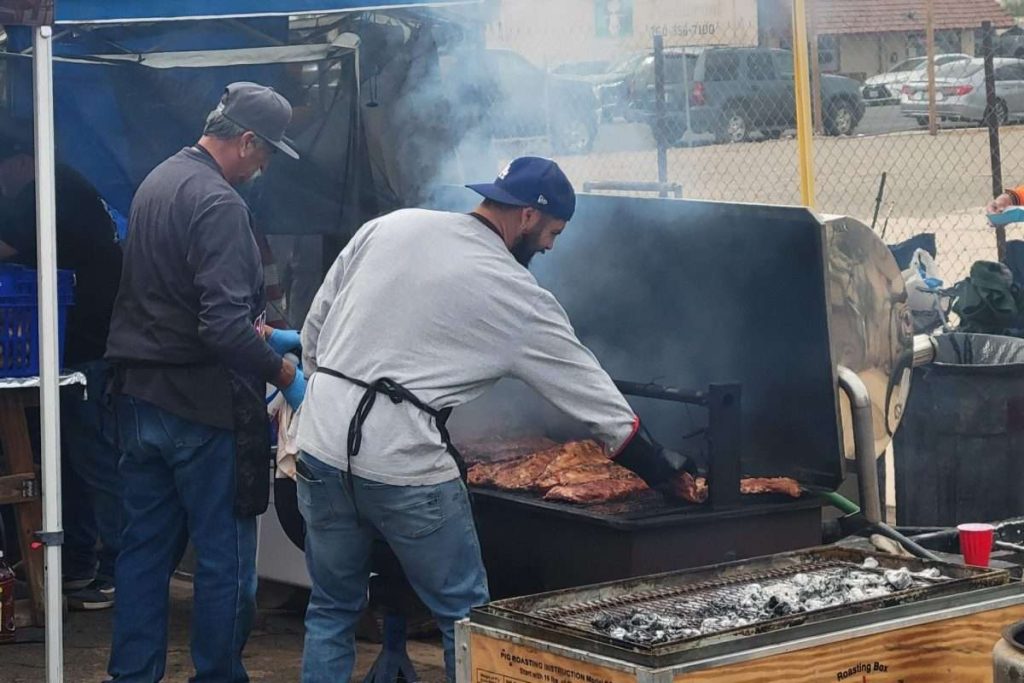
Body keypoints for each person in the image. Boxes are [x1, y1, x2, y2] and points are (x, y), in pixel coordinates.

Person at [295, 156, 703, 683]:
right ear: (529, 217)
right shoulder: (515, 294)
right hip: (403, 466)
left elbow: (314, 329)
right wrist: (658, 465)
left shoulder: (390, 226)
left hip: (320, 448)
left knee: (331, 610)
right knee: (467, 618)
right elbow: (592, 393)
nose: (552, 246)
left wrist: (325, 406)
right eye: (554, 231)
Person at [104, 82, 307, 683]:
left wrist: (263, 333)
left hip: (141, 401)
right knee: (226, 563)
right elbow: (219, 327)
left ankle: (131, 675)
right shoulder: (220, 204)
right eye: (267, 152)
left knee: (144, 554)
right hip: (203, 412)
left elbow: (173, 301)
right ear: (246, 141)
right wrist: (282, 371)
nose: (265, 166)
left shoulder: (158, 182)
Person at [0, 122, 124, 611]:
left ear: (23, 161)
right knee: (73, 460)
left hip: (89, 346)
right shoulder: (62, 183)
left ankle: (117, 569)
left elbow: (6, 247)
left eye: (3, 172)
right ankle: (78, 563)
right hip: (73, 346)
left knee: (94, 459)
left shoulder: (47, 189)